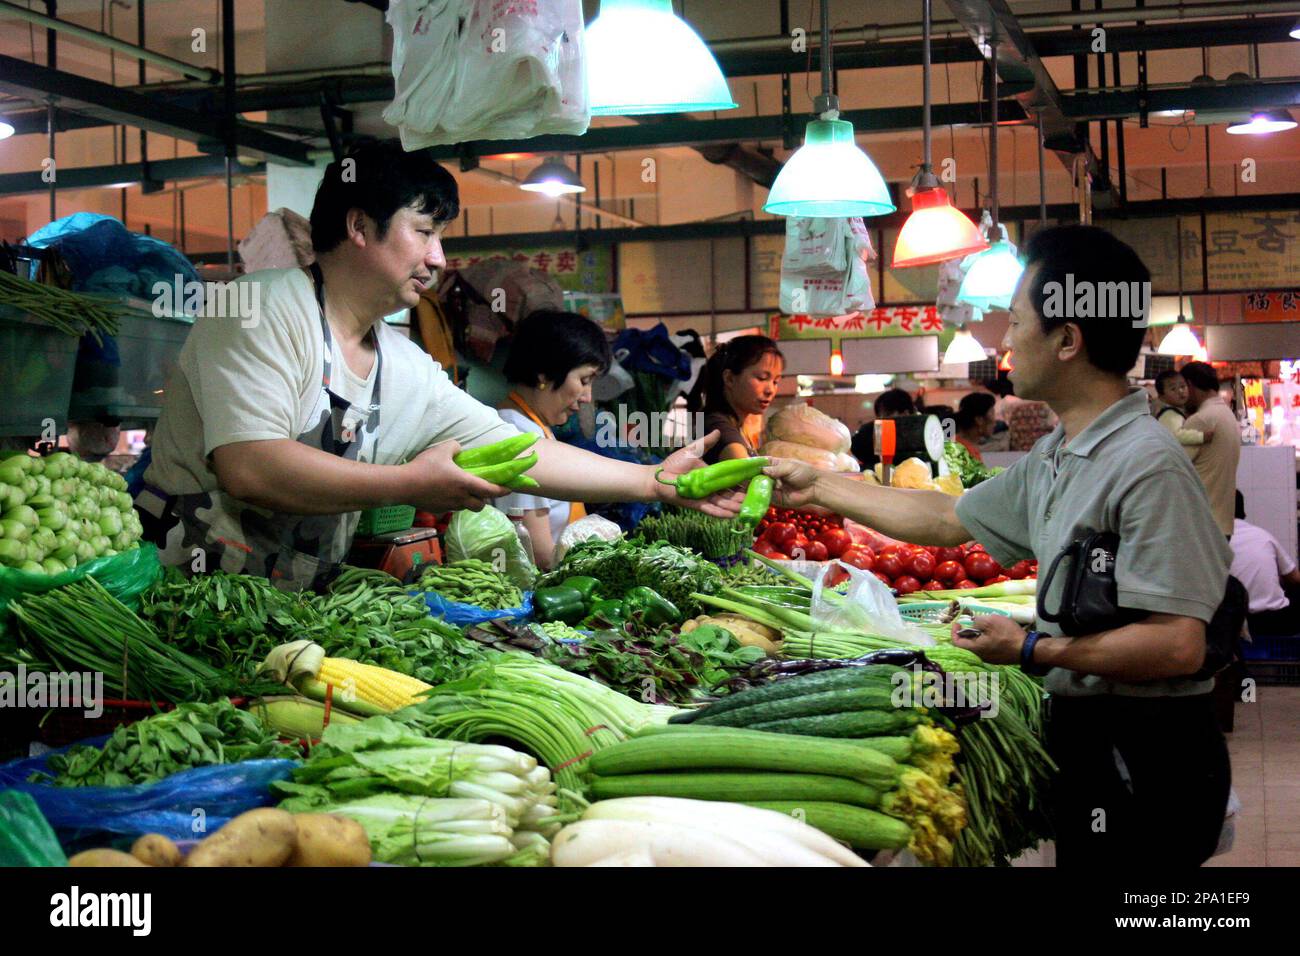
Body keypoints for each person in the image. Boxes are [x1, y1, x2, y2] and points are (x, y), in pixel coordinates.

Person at [765, 224, 1233, 867]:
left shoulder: (1146, 466)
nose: (1005, 343)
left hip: (1148, 752)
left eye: (1016, 322)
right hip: (1095, 736)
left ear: (1068, 338)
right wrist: (821, 486)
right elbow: (948, 518)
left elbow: (1178, 643)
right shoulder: (1064, 451)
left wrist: (1036, 647)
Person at [138, 140, 742, 589]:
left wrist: (653, 481)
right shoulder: (263, 309)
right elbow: (252, 466)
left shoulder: (404, 365)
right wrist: (411, 482)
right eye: (424, 231)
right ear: (359, 227)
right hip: (187, 600)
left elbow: (518, 449)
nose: (438, 258)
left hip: (291, 607)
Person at [496, 310, 611, 570]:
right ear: (544, 374)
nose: (586, 397)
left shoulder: (535, 426)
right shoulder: (518, 434)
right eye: (583, 380)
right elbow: (539, 553)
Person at [697, 335, 785, 465]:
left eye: (775, 381)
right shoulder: (717, 426)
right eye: (761, 378)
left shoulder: (733, 424)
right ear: (729, 379)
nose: (770, 390)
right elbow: (745, 474)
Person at [1181, 361, 1241, 539]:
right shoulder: (1227, 415)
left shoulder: (1201, 420)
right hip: (1222, 524)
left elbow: (1174, 469)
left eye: (1182, 388)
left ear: (1190, 386)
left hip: (1200, 525)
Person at [1232, 491, 1300, 637]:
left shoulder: (1210, 540)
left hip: (1232, 626)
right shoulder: (1262, 535)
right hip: (1275, 622)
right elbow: (1295, 578)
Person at [850, 388, 916, 470]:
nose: (881, 420)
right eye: (879, 416)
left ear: (905, 414)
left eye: (887, 414)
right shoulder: (869, 432)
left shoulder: (918, 437)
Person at [1152, 369, 1210, 447]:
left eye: (1183, 386)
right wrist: (1201, 436)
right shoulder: (1169, 414)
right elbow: (1176, 435)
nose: (1180, 391)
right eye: (1173, 389)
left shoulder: (1176, 411)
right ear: (1162, 397)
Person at [953, 392, 997, 463]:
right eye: (992, 413)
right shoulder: (962, 451)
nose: (995, 421)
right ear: (979, 420)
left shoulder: (964, 446)